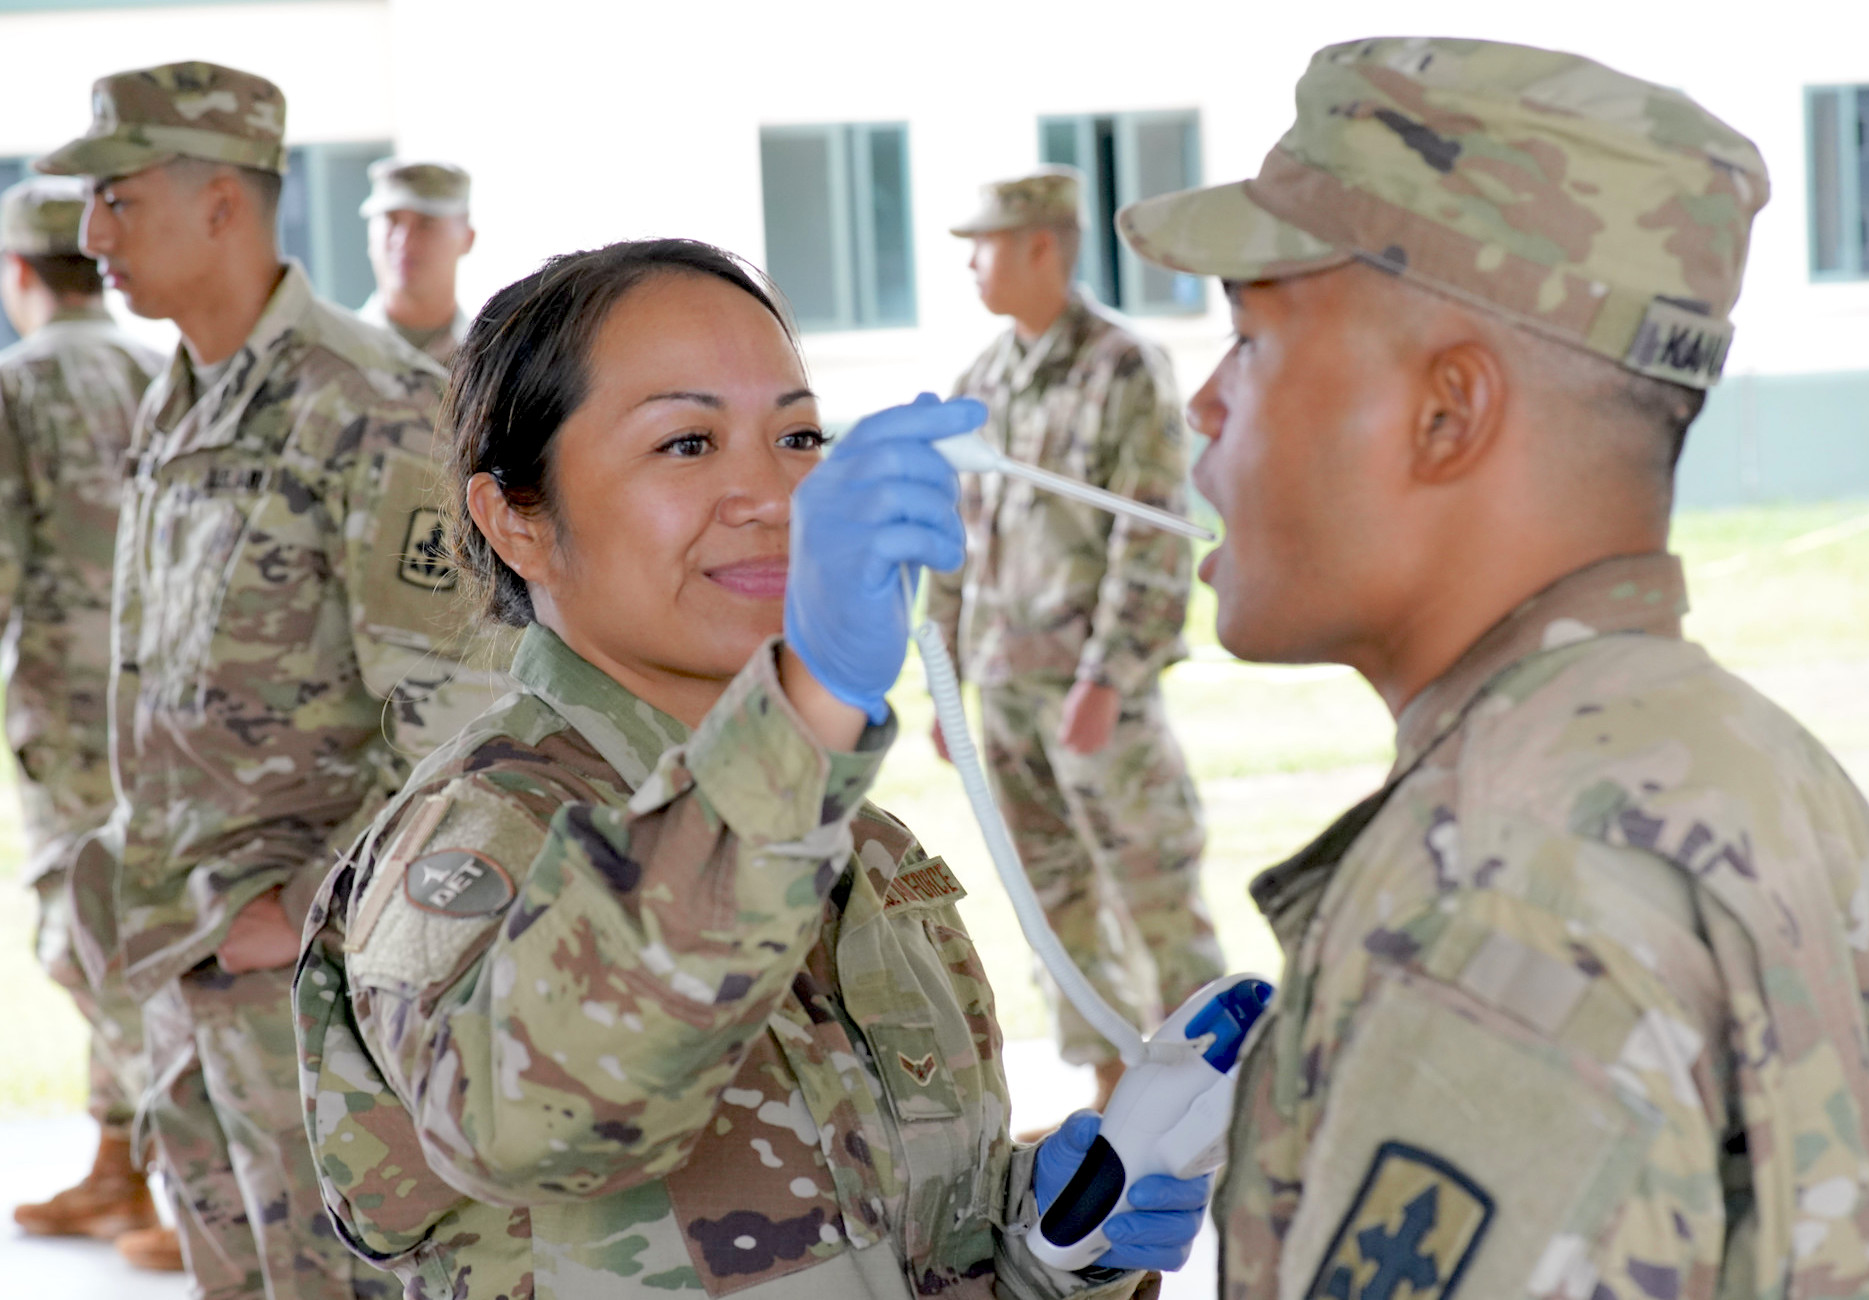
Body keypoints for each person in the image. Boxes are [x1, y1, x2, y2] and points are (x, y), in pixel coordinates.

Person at [1116, 35, 1869, 1299]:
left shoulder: (1501, 886)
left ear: (1448, 412)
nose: (1206, 407)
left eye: (1253, 339)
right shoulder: (1739, 756)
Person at [296, 238, 1211, 1299]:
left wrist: (1051, 1238)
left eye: (799, 434)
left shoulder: (849, 832)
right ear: (516, 520)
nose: (773, 494)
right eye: (687, 443)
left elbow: (881, 1230)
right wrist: (809, 702)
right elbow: (530, 1121)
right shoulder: (478, 831)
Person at [36, 60, 501, 1299]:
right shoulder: (176, 401)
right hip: (184, 967)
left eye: (120, 200)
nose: (93, 237)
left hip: (300, 985)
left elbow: (458, 722)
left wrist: (303, 915)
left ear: (224, 206)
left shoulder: (367, 404)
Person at [928, 168, 1221, 1111]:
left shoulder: (1122, 368)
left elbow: (1150, 529)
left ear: (1044, 247)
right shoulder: (980, 383)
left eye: (986, 245)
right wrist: (945, 682)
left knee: (1152, 887)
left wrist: (1110, 675)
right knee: (1051, 901)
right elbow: (952, 543)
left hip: (1096, 694)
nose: (972, 264)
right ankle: (1112, 1093)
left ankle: (1217, 1096)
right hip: (1005, 694)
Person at [0, 176, 174, 1264]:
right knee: (148, 916)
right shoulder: (162, 372)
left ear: (18, 274)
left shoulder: (18, 384)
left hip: (68, 711)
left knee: (90, 931)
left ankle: (169, 1177)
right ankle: (122, 1166)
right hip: (171, 709)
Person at [358, 159, 473, 366]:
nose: (404, 242)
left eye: (426, 223)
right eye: (391, 220)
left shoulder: (487, 357)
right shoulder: (337, 352)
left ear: (467, 239)